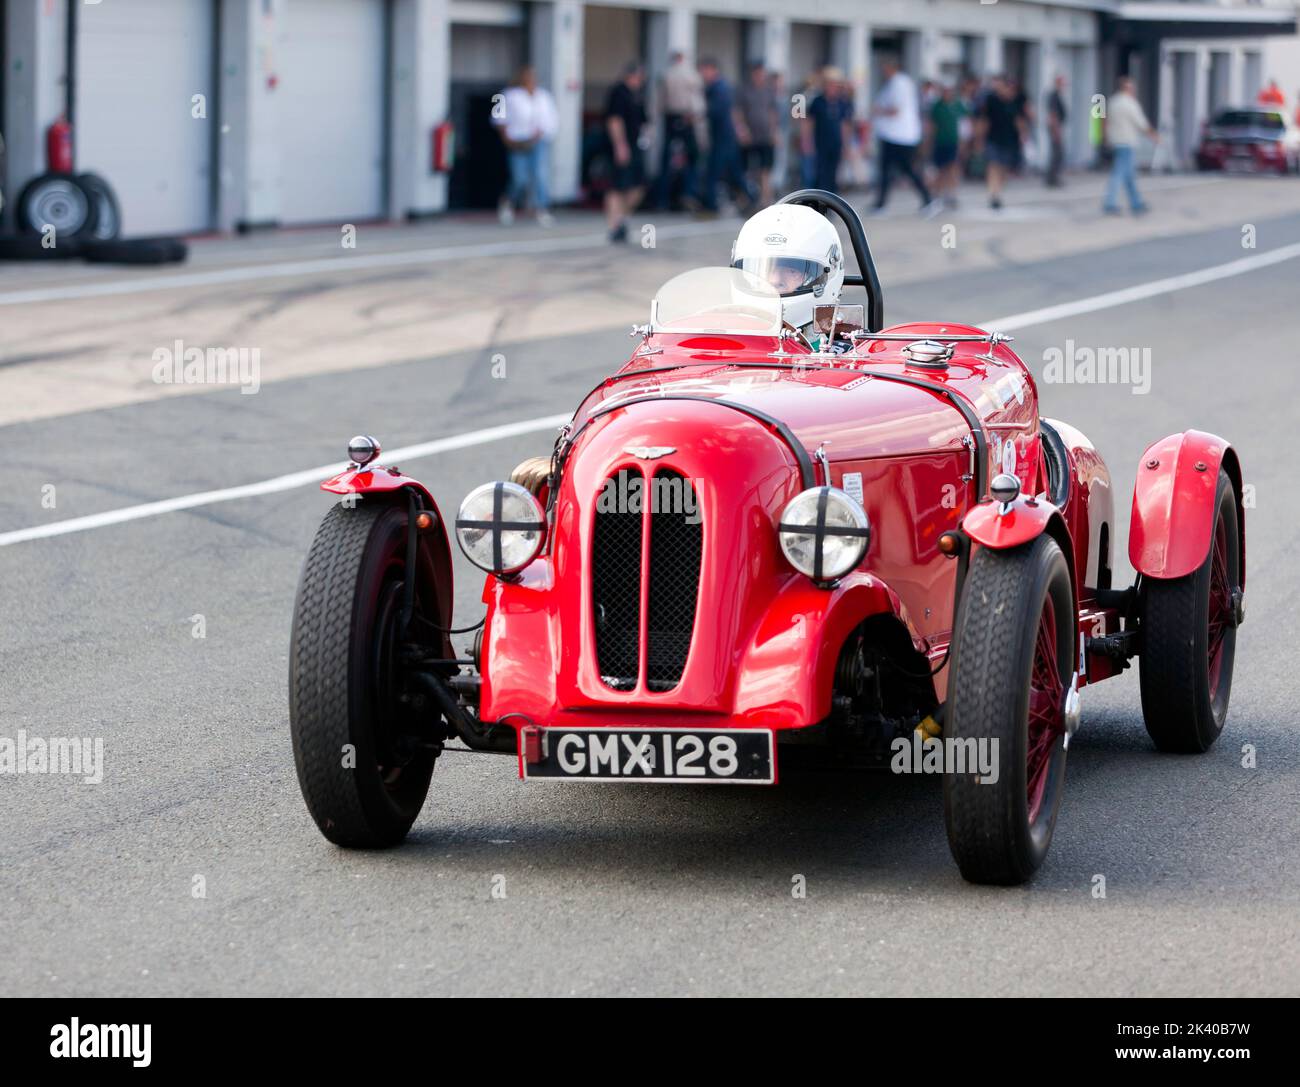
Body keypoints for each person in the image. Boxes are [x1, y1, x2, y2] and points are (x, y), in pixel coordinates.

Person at [729, 202, 845, 342]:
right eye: (763, 270)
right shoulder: (725, 341)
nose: (774, 280)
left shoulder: (846, 353)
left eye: (791, 271)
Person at [493, 65, 559, 226]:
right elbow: (497, 117)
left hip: (538, 141)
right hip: (517, 141)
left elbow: (552, 119)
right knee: (519, 177)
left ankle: (541, 208)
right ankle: (508, 201)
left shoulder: (544, 96)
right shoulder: (507, 94)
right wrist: (505, 135)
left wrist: (542, 132)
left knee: (539, 174)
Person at [870, 56, 935, 214]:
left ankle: (927, 199)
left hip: (898, 136)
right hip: (895, 135)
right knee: (894, 170)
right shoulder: (897, 83)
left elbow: (895, 110)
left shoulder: (899, 84)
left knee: (902, 170)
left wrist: (877, 110)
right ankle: (881, 203)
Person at [699, 57, 756, 213]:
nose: (702, 74)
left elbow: (717, 111)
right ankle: (750, 198)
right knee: (733, 172)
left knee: (716, 171)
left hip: (723, 136)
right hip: (723, 136)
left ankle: (711, 205)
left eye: (704, 70)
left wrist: (699, 113)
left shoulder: (719, 88)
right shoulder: (716, 87)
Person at [604, 62, 648, 243]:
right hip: (622, 145)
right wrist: (620, 145)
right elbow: (614, 120)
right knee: (617, 186)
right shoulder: (619, 93)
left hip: (636, 145)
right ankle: (613, 225)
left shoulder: (637, 94)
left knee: (638, 186)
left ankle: (621, 219)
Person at [1102, 76, 1158, 215]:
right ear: (1128, 88)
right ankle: (1110, 203)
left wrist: (1106, 137)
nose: (1134, 90)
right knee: (1119, 173)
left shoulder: (1113, 102)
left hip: (1116, 141)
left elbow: (1105, 120)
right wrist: (1154, 136)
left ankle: (1136, 203)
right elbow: (1141, 123)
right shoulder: (1130, 103)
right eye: (1132, 87)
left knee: (1129, 176)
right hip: (1127, 142)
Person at [654, 51, 702, 211]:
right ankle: (688, 192)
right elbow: (695, 99)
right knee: (693, 156)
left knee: (666, 159)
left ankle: (662, 199)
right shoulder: (691, 75)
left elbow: (660, 101)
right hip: (686, 117)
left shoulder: (666, 75)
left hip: (670, 118)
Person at [737, 60, 780, 207]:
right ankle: (745, 197)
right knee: (747, 168)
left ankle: (765, 198)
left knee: (765, 169)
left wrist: (775, 132)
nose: (759, 76)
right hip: (750, 136)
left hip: (765, 136)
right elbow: (738, 112)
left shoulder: (768, 91)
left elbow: (773, 113)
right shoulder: (745, 90)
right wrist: (742, 130)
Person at [805, 67, 853, 194]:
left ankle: (832, 199)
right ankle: (819, 199)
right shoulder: (818, 101)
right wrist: (807, 141)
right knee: (820, 172)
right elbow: (809, 121)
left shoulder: (842, 102)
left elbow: (845, 125)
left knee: (833, 172)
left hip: (836, 143)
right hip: (821, 142)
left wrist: (846, 145)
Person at [978, 75, 1021, 209]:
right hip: (993, 138)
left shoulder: (1013, 103)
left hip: (1009, 140)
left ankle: (998, 193)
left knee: (1003, 169)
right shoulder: (992, 101)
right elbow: (985, 120)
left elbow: (1018, 121)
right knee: (993, 166)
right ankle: (993, 194)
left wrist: (1022, 135)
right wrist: (979, 138)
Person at [928, 83, 966, 207]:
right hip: (940, 141)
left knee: (952, 168)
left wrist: (963, 142)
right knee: (940, 169)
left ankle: (951, 194)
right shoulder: (937, 106)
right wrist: (929, 140)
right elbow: (932, 125)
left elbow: (964, 123)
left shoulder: (958, 105)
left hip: (953, 141)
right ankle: (936, 194)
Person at [1045, 74, 1068, 188]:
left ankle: (1053, 177)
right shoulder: (1054, 96)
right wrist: (1056, 131)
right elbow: (1053, 115)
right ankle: (1051, 178)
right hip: (1055, 128)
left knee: (1057, 153)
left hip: (1057, 127)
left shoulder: (1057, 95)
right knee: (1057, 154)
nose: (1065, 85)